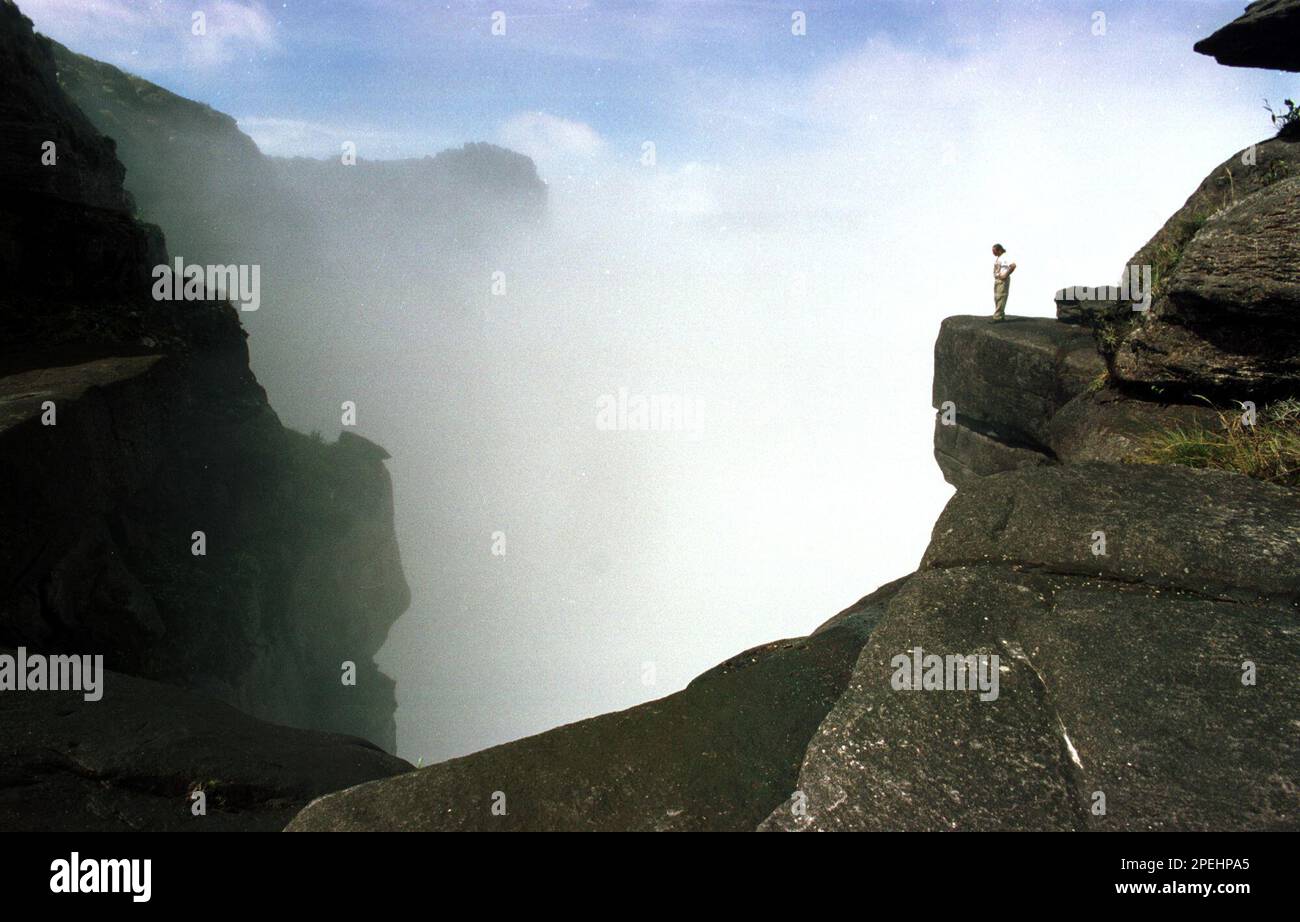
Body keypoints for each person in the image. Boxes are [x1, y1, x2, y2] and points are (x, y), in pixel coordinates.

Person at [991, 243, 1016, 321]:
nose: (993, 253)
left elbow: (1013, 265)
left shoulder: (1005, 257)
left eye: (994, 251)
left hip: (1002, 280)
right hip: (998, 280)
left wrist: (1005, 275)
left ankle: (998, 317)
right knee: (997, 297)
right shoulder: (1000, 257)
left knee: (1000, 297)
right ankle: (999, 315)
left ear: (999, 250)